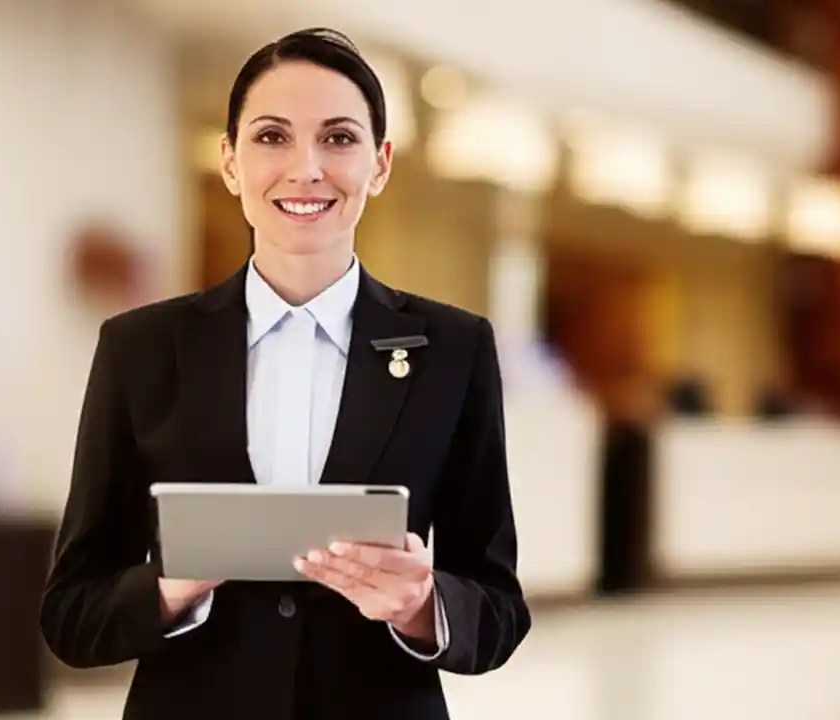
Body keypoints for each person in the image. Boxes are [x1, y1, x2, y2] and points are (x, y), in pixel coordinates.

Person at [39, 28, 530, 719]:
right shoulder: (141, 349)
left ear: (380, 163)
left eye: (338, 138)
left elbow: (499, 608)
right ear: (230, 161)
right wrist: (170, 587)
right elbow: (71, 614)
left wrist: (422, 605)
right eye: (272, 137)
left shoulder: (452, 349)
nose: (306, 168)